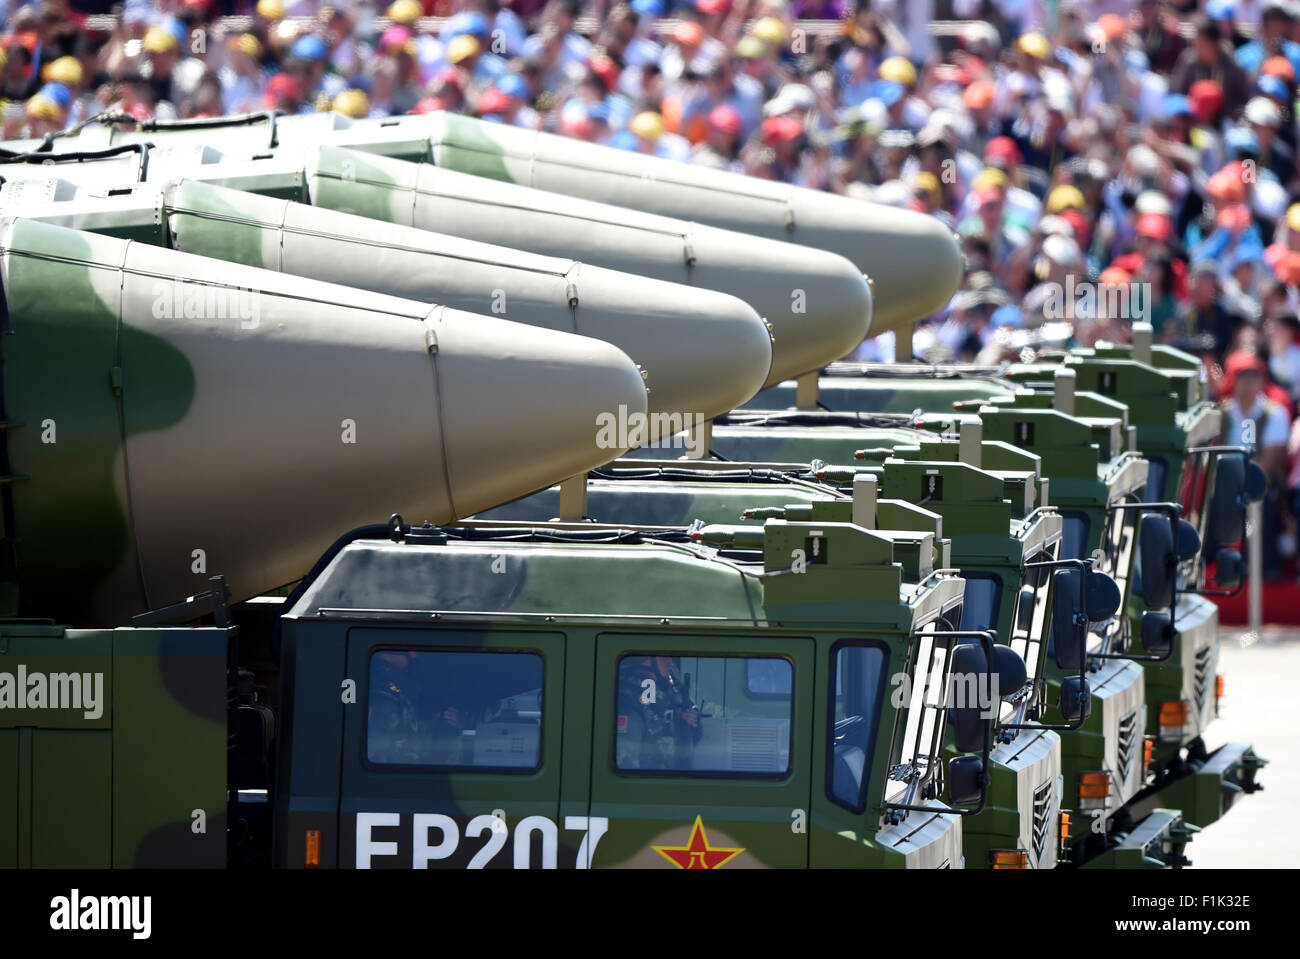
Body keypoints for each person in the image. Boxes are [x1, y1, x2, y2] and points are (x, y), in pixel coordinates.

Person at [617, 655, 701, 771]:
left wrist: (690, 723)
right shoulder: (628, 700)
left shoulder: (666, 695)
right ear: (641, 660)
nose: (669, 659)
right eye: (662, 656)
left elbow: (682, 745)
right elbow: (625, 766)